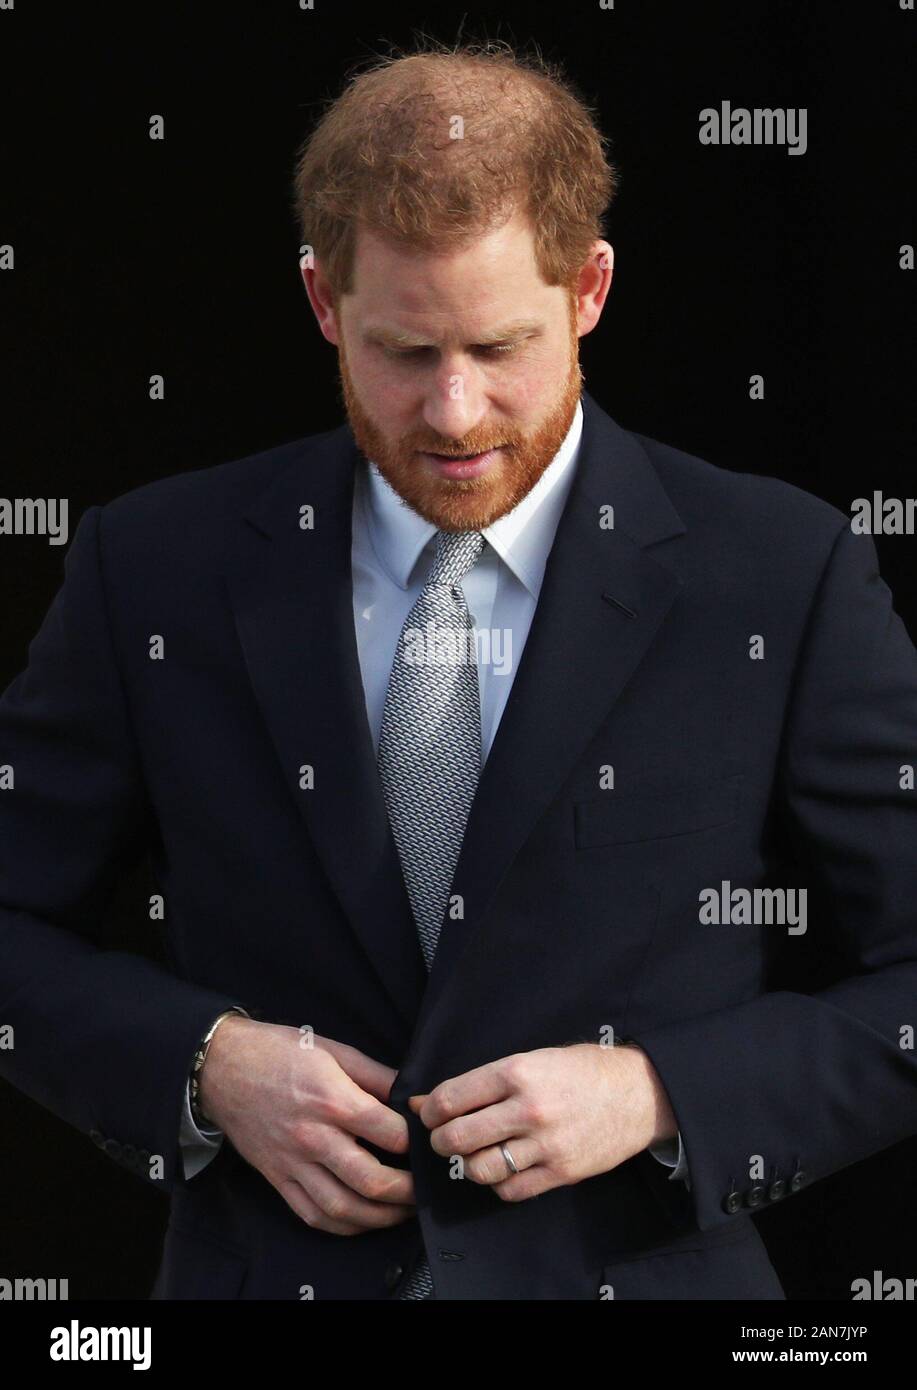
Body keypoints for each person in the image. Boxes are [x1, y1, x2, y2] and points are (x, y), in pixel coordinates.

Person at [2, 39, 916, 1301]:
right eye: (401, 351)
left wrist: (658, 1094)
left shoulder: (780, 573)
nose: (452, 413)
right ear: (322, 302)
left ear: (589, 288)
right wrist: (204, 1065)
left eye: (498, 347)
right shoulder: (151, 567)